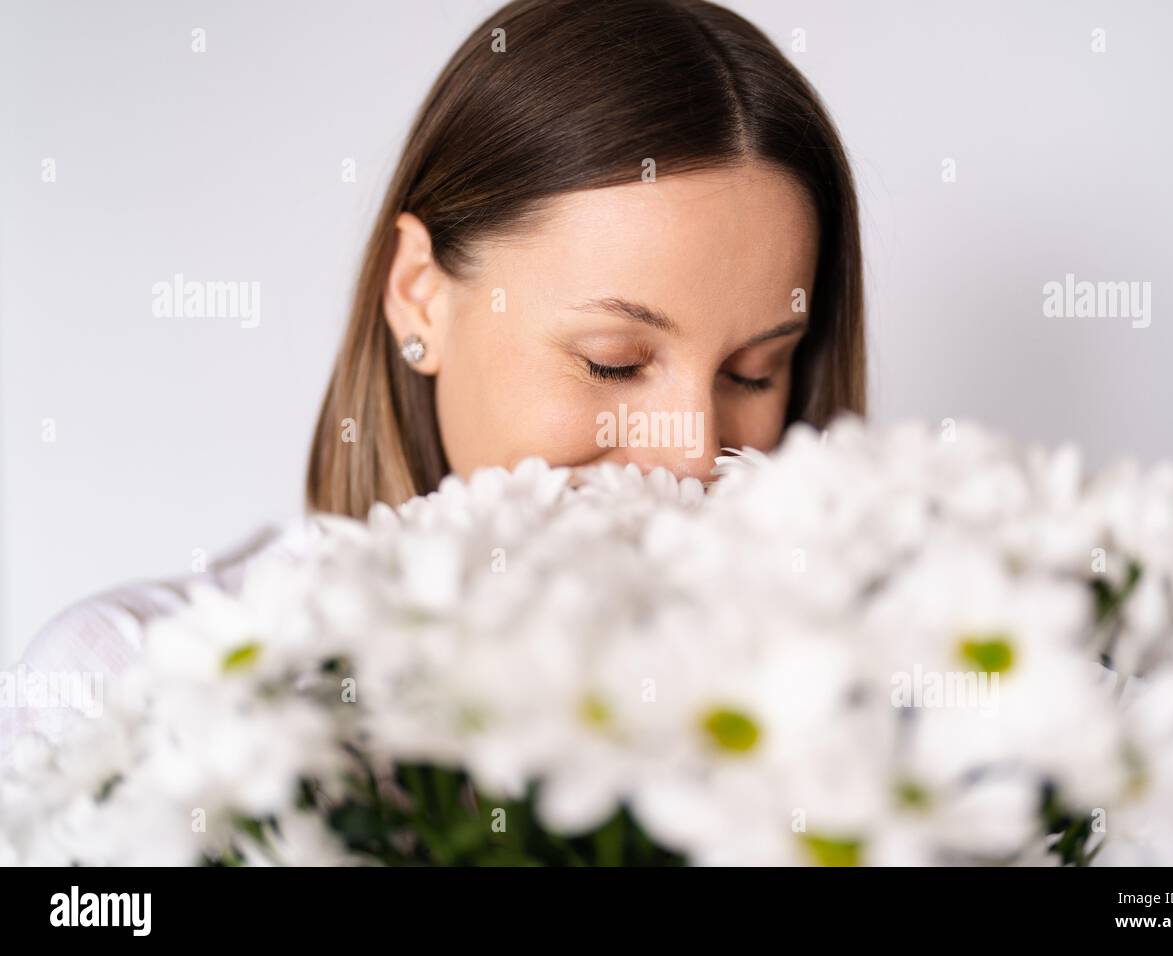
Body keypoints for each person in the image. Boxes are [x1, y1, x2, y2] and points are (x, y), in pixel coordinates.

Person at [1, 0, 865, 760]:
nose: (692, 456)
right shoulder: (118, 694)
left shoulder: (848, 708)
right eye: (614, 361)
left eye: (753, 373)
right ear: (420, 294)